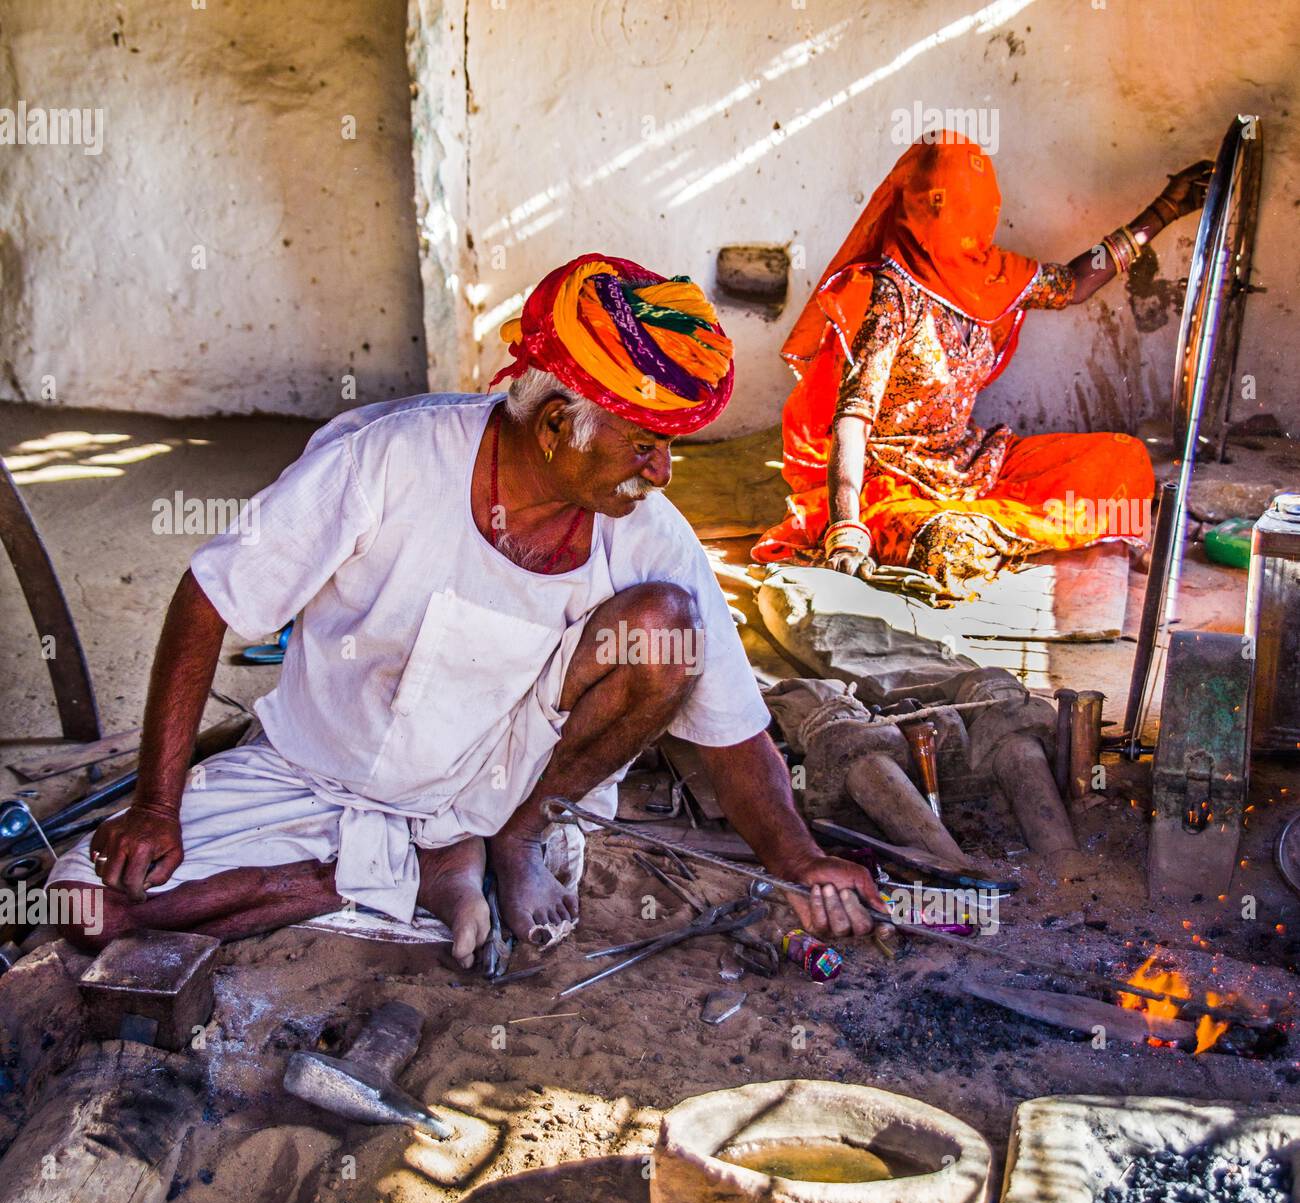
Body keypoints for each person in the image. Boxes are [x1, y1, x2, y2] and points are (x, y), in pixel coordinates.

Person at [48, 252, 885, 965]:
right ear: (560, 425)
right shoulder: (391, 460)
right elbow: (209, 599)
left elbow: (732, 725)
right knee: (86, 894)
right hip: (317, 770)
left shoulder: (648, 533)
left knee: (666, 624)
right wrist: (155, 807)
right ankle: (425, 866)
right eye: (647, 444)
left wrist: (799, 858)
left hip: (502, 779)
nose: (663, 471)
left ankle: (510, 838)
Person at [752, 134, 1212, 596]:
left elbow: (1073, 284)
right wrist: (846, 529)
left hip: (970, 463)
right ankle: (976, 534)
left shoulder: (988, 273)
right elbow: (851, 419)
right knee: (947, 548)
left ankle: (992, 530)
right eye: (954, 206)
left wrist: (1164, 211)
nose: (969, 220)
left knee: (1123, 458)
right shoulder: (888, 293)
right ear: (921, 204)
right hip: (892, 481)